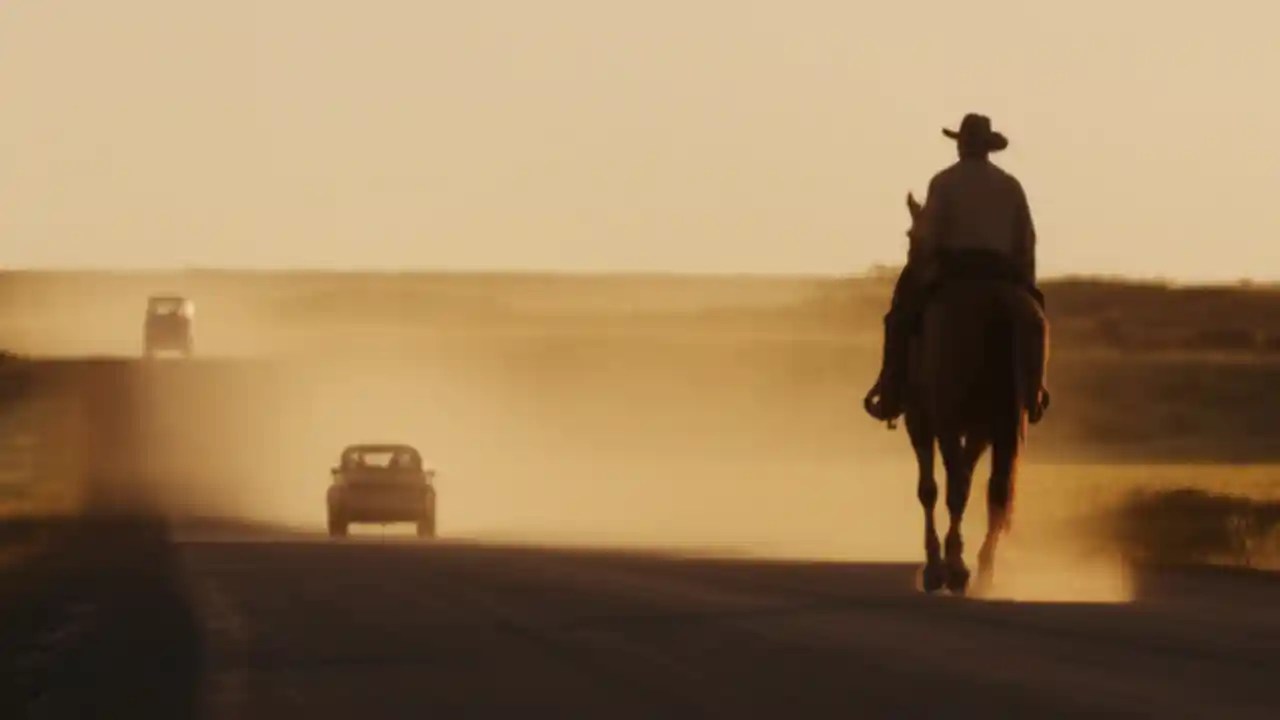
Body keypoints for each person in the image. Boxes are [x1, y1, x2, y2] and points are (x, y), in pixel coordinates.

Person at [863, 113, 1050, 424]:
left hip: (954, 272)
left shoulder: (943, 182)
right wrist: (1027, 284)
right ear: (988, 148)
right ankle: (1034, 392)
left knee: (899, 318)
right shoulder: (1010, 186)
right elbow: (1026, 241)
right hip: (1004, 275)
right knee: (1035, 322)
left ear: (961, 145)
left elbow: (930, 235)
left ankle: (891, 390)